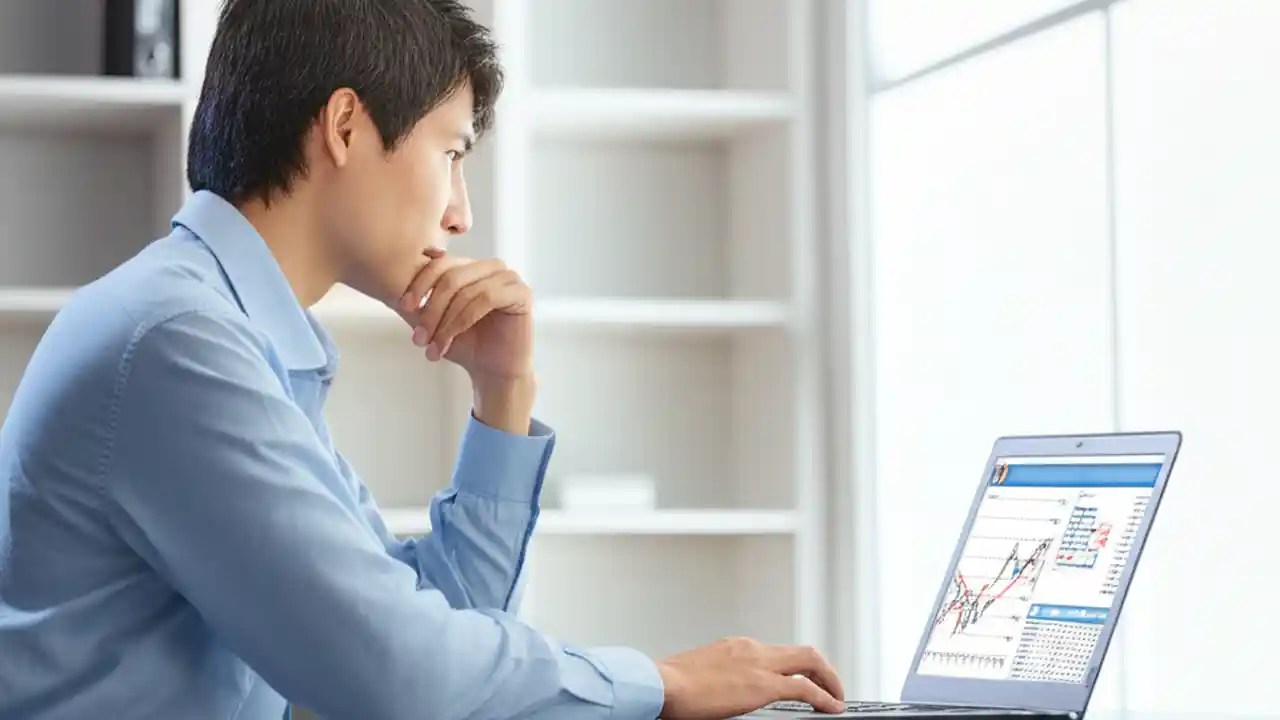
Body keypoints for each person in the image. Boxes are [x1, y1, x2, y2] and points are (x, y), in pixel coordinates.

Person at [0, 1, 845, 718]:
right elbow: (396, 676)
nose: (460, 214)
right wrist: (661, 683)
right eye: (451, 153)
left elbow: (430, 625)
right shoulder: (178, 342)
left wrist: (501, 391)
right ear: (344, 126)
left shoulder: (224, 330)